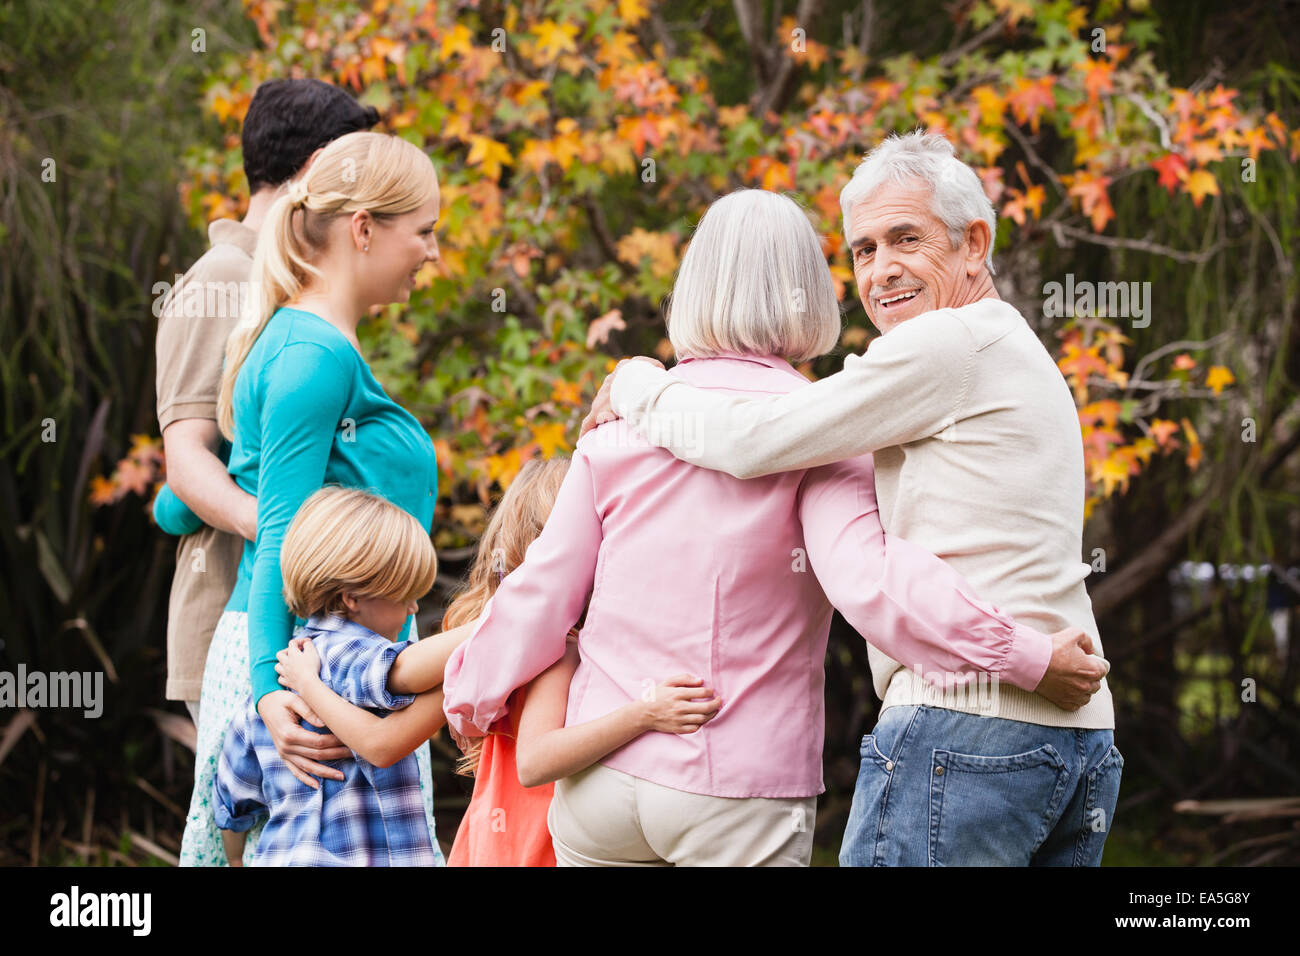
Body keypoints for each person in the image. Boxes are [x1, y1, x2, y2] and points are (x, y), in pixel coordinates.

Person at [442, 189, 1104, 867]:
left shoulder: (620, 428)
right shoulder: (820, 431)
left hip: (601, 782)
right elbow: (870, 584)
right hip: (737, 786)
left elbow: (541, 592)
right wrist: (1021, 654)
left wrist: (470, 698)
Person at [166, 130, 462, 866]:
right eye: (423, 232)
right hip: (313, 666)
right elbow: (282, 538)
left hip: (329, 659)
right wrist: (272, 694)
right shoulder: (311, 356)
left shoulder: (313, 343)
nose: (432, 252)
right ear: (363, 230)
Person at [274, 458, 721, 866]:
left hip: (504, 836)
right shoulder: (525, 647)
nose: (413, 610)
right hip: (545, 837)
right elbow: (392, 720)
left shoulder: (538, 641)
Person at [154, 79, 379, 729]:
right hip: (232, 613)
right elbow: (186, 458)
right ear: (313, 169)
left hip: (289, 620)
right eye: (349, 169)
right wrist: (295, 538)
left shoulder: (297, 282)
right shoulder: (226, 275)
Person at [214, 487, 442, 866]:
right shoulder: (351, 658)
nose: (414, 608)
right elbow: (398, 671)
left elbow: (231, 794)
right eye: (404, 595)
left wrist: (235, 859)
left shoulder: (276, 685)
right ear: (353, 597)